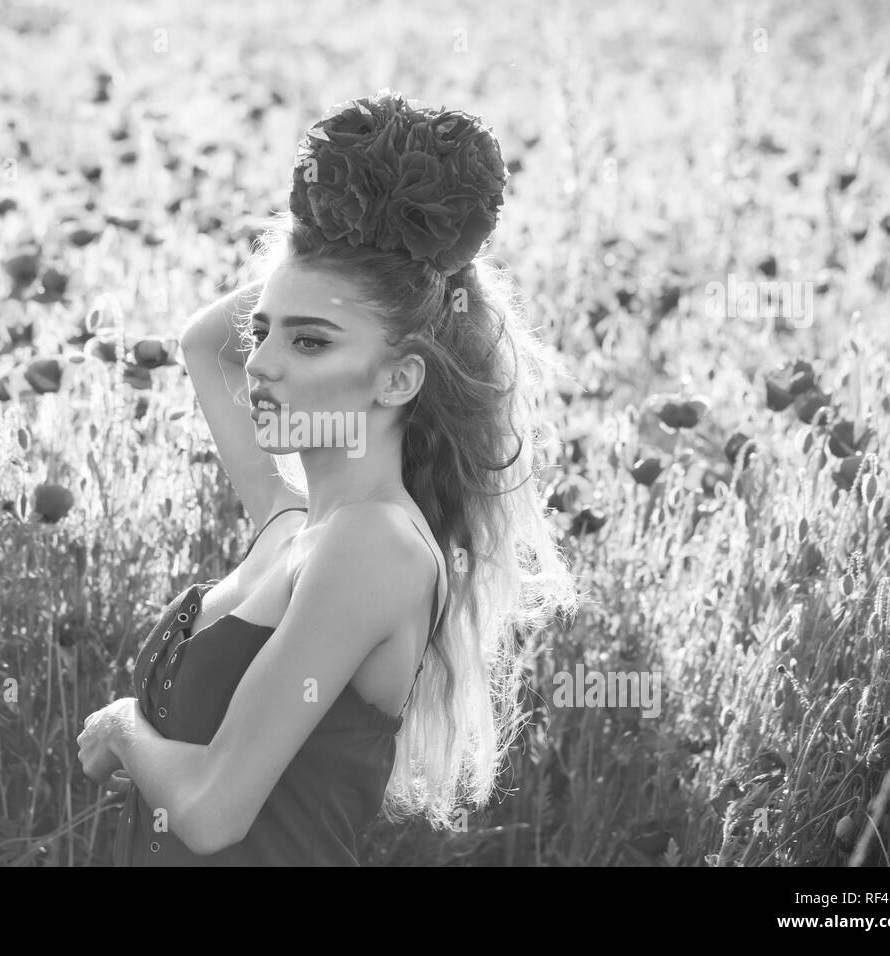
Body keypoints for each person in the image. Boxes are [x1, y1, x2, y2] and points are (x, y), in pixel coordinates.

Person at [77, 88, 577, 865]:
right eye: (266, 331)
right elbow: (207, 343)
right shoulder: (291, 526)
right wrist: (377, 255)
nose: (264, 365)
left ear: (397, 380)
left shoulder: (373, 546)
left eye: (311, 344)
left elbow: (211, 811)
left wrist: (119, 724)